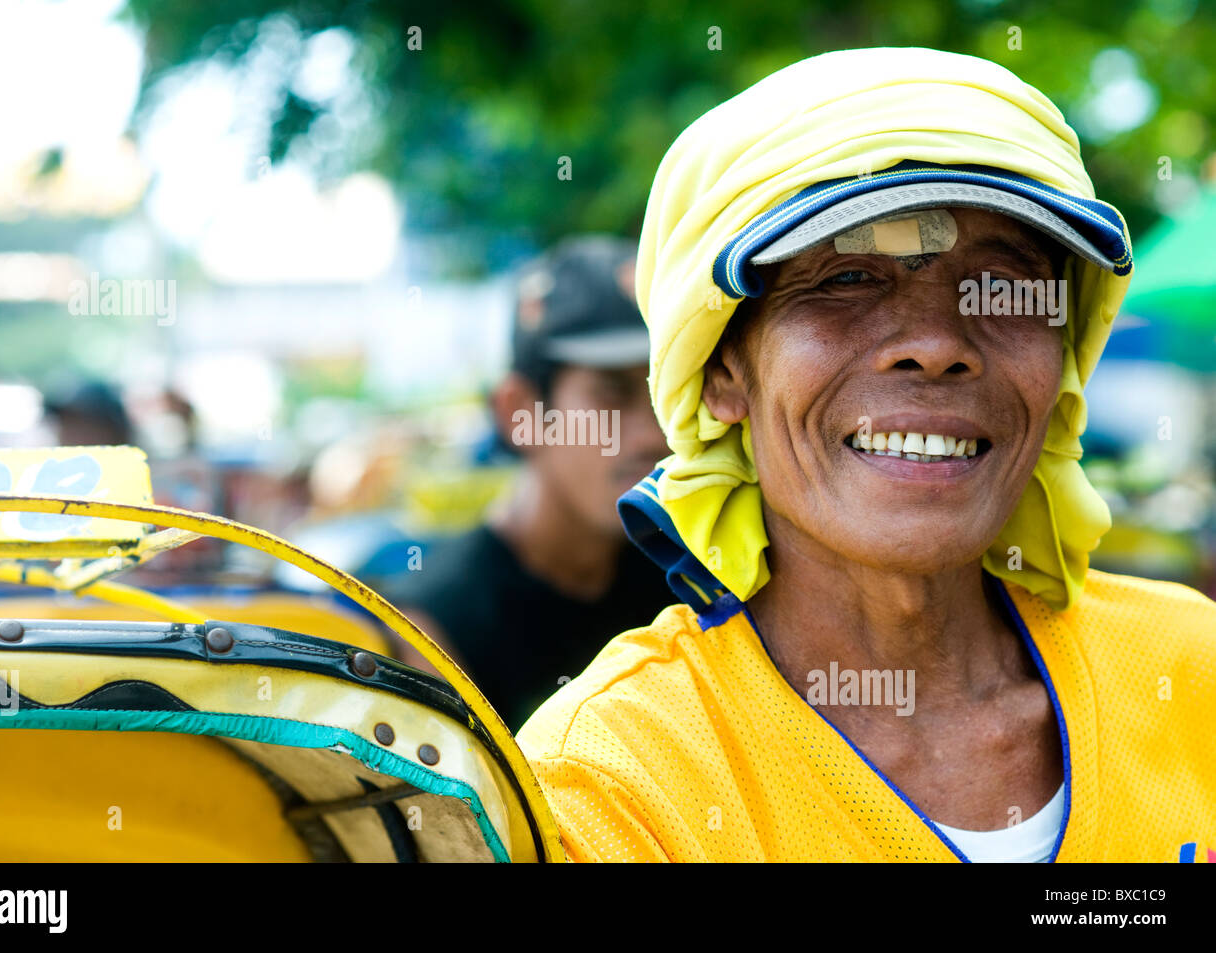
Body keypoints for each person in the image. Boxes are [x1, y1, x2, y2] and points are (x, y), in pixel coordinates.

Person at [516, 48, 1216, 862]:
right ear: (720, 369)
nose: (935, 344)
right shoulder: (613, 785)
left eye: (1001, 283)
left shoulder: (1190, 671)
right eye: (846, 278)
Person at [384, 236, 672, 730]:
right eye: (612, 393)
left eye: (664, 392)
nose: (653, 434)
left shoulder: (692, 583)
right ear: (521, 413)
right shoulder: (434, 626)